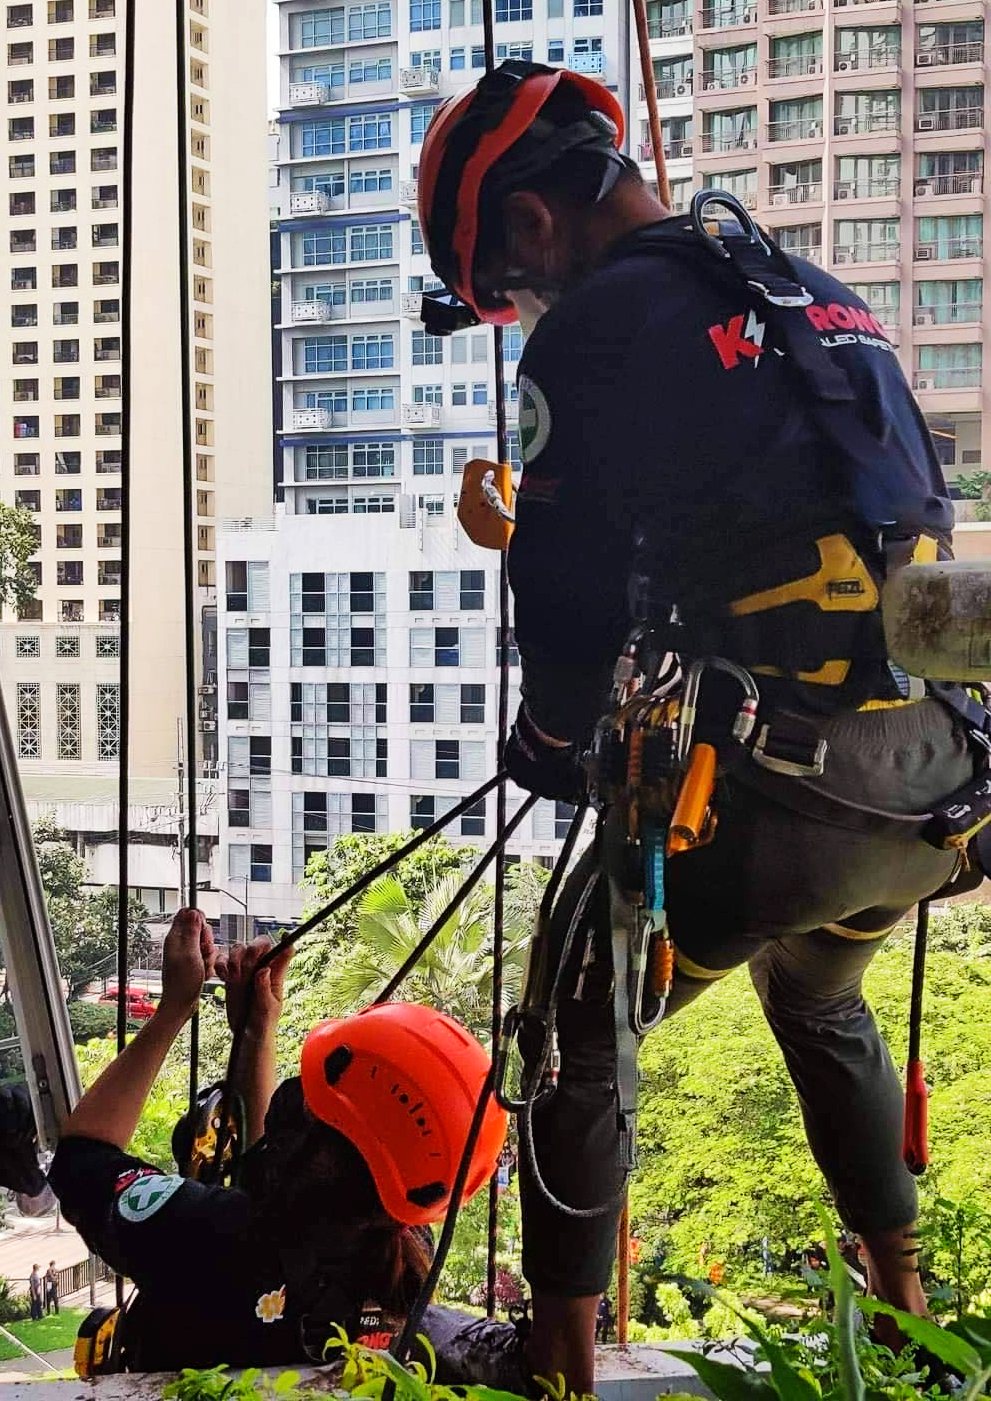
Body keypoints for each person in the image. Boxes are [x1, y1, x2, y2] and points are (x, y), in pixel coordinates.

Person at [416, 60, 981, 1392]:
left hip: (774, 799)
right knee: (815, 991)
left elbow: (558, 601)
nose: (525, 316)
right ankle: (902, 1309)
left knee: (569, 1023)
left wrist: (551, 743)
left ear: (534, 229)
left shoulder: (594, 326)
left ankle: (552, 1362)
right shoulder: (817, 297)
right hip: (926, 793)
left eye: (512, 291)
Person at [47, 910, 531, 1382]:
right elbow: (282, 1204)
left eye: (309, 1102)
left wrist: (174, 1009)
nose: (293, 1101)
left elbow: (81, 1159)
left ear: (316, 1146)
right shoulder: (401, 1261)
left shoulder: (196, 1232)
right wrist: (256, 1033)